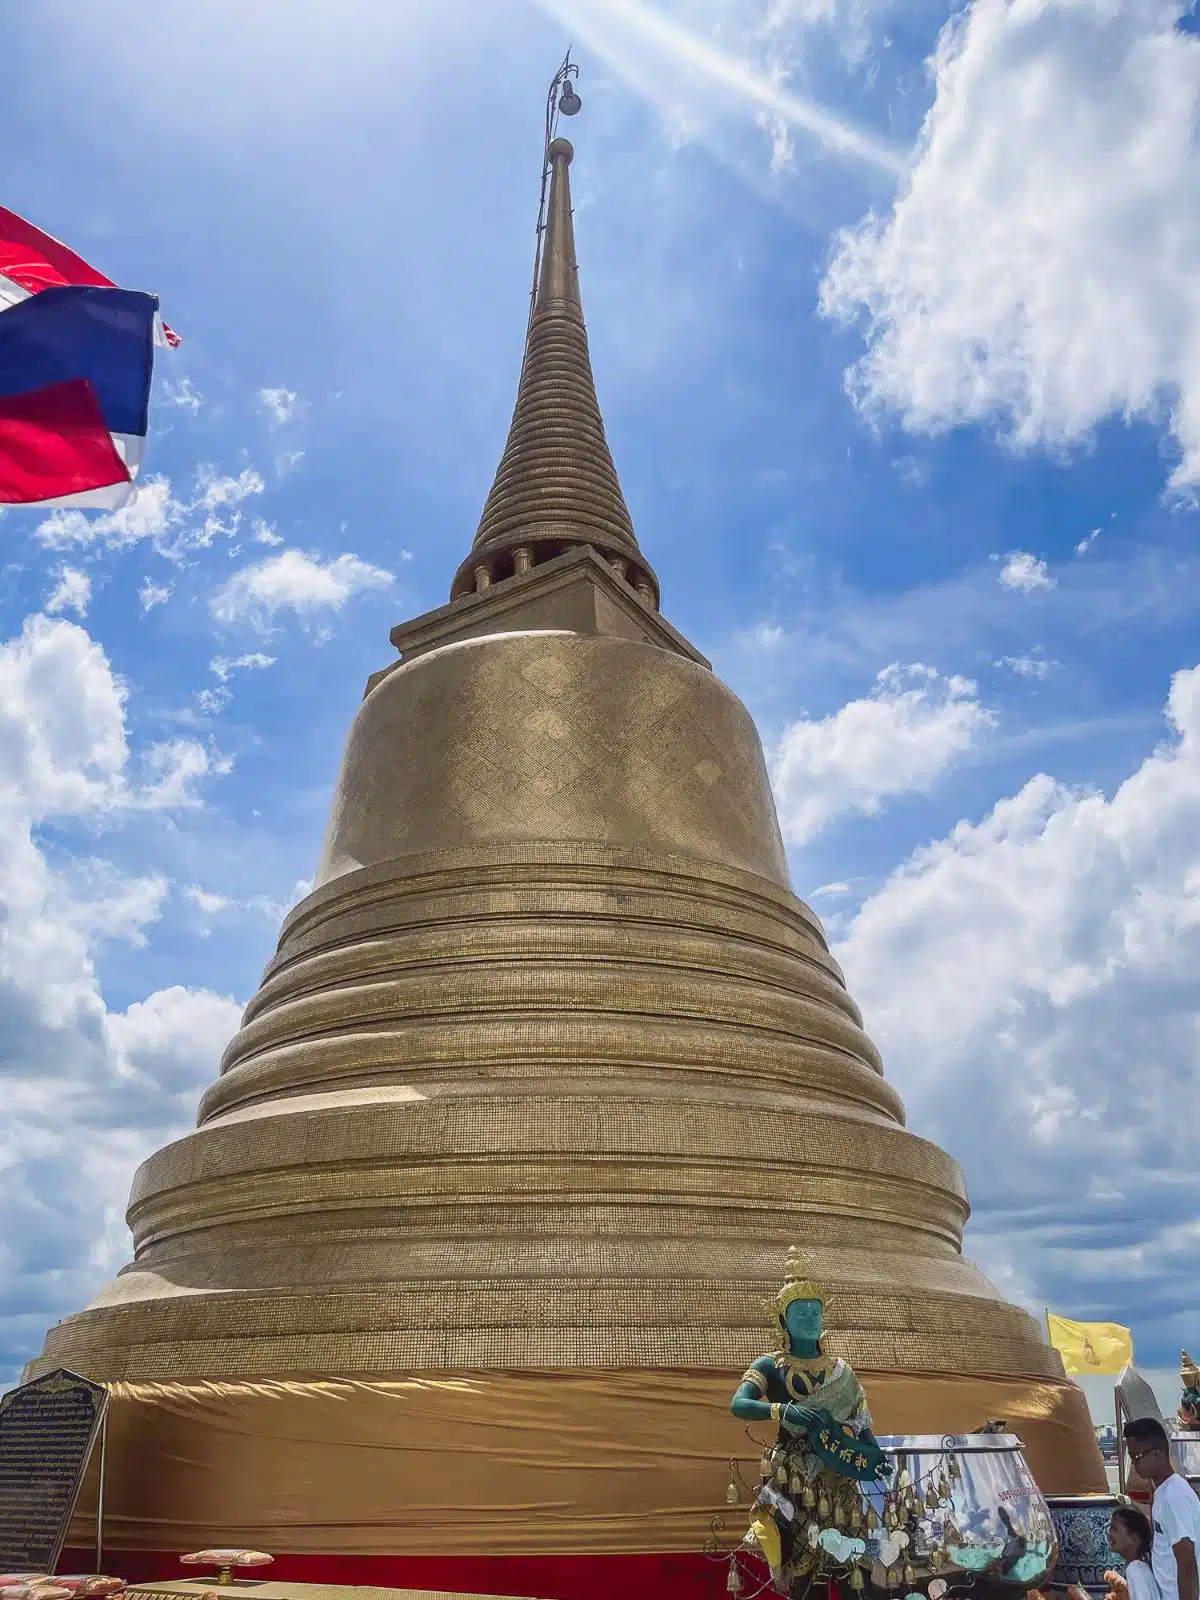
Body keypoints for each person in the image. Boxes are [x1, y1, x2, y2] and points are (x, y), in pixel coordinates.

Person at [1123, 1417, 1200, 1600]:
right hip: (1164, 1592)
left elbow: (1187, 1563)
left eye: (1137, 1457)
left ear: (1157, 1454)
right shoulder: (1163, 1492)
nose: (1134, 1463)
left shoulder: (1174, 1496)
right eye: (1131, 1456)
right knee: (1135, 1569)